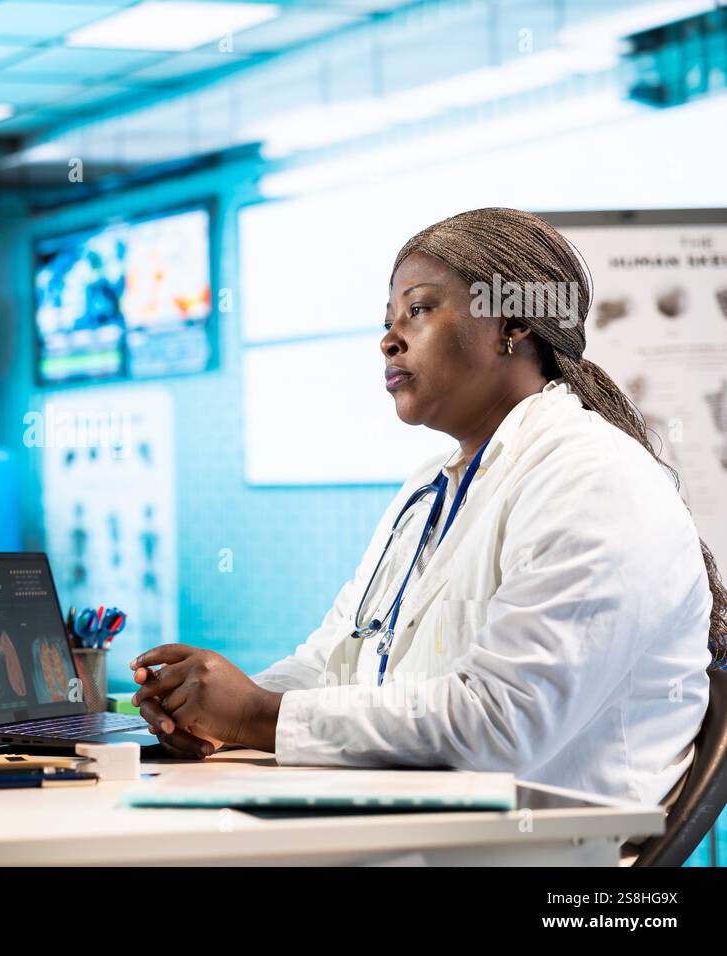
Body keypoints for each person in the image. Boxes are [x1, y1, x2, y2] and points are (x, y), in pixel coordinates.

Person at [132, 207, 725, 808]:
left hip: (555, 857)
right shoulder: (428, 490)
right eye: (389, 320)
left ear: (511, 323)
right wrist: (209, 711)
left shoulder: (594, 480)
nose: (388, 340)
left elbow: (503, 722)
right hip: (428, 828)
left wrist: (259, 715)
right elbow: (338, 662)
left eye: (418, 310)